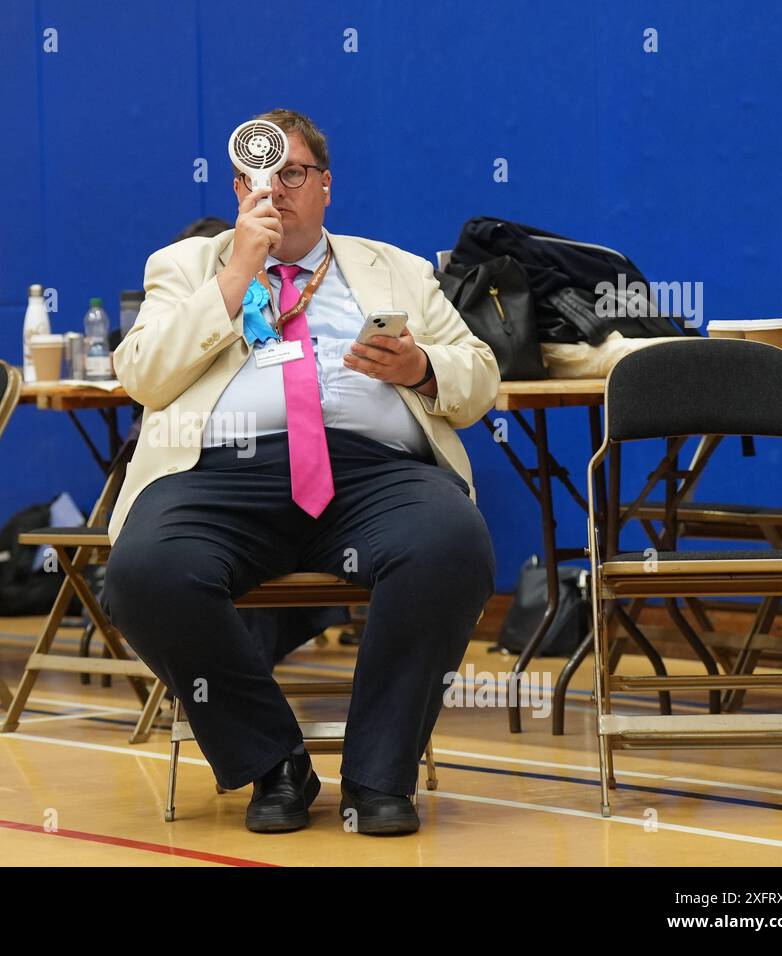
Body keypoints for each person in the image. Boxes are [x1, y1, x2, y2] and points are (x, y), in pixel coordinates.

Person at [103, 110, 499, 835]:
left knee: (451, 543)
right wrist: (232, 281)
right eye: (260, 175)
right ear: (237, 188)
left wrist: (421, 367)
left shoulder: (397, 268)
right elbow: (143, 376)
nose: (276, 189)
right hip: (221, 472)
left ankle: (380, 775)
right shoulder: (187, 266)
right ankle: (272, 762)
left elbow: (480, 377)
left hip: (372, 473)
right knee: (143, 572)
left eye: (293, 173)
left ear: (325, 186)